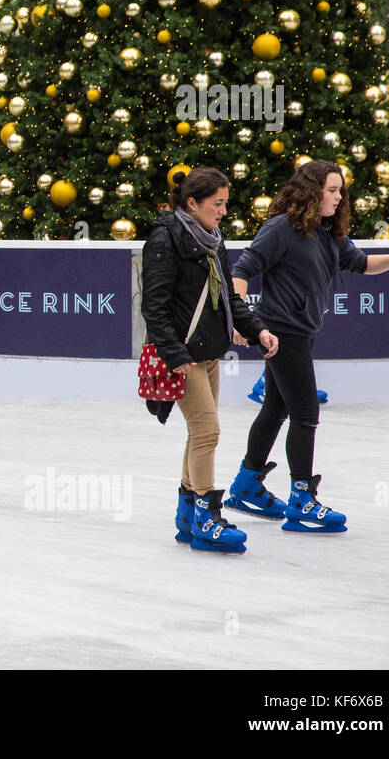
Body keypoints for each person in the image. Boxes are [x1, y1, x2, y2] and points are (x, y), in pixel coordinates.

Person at [227, 160, 389, 533]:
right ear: (311, 191)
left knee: (276, 407)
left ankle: (246, 483)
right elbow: (242, 269)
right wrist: (241, 319)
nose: (338, 196)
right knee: (305, 412)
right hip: (283, 332)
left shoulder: (328, 231)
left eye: (340, 190)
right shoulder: (281, 228)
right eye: (332, 189)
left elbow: (360, 262)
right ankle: (301, 498)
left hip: (301, 329)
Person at [141, 168, 276, 554]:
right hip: (183, 356)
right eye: (217, 204)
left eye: (225, 204)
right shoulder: (165, 240)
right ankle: (205, 514)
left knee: (199, 432)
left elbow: (230, 297)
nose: (222, 212)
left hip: (208, 351)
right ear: (192, 204)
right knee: (208, 432)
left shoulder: (213, 240)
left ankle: (187, 514)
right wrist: (174, 354)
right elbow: (154, 306)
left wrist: (256, 329)